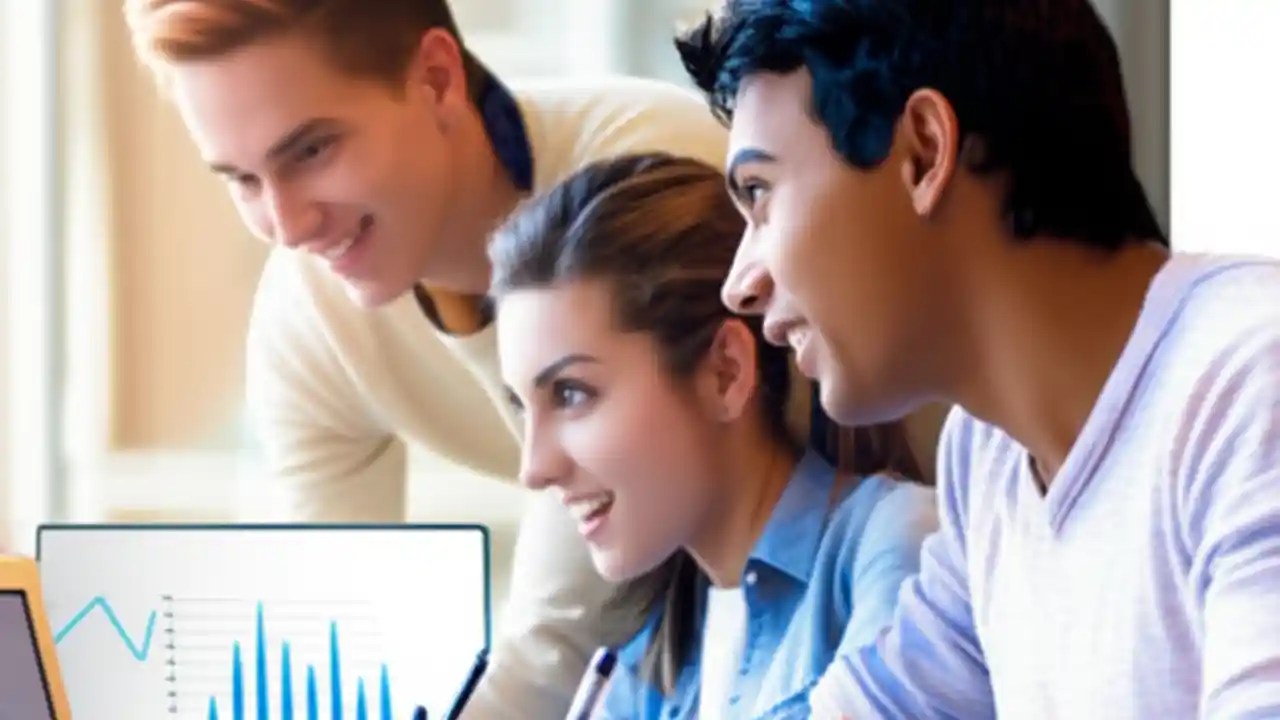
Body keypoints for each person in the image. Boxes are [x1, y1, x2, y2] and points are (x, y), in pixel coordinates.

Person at [120, 1, 765, 716]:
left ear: (434, 77)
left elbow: (557, 651)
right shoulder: (308, 315)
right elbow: (323, 648)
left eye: (311, 151)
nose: (289, 225)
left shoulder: (646, 186)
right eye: (241, 180)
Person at [677, 0, 1280, 718]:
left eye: (760, 193)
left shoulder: (1248, 385)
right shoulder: (987, 456)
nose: (739, 283)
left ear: (924, 153)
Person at [489, 152, 936, 720]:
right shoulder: (650, 669)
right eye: (522, 407)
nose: (534, 467)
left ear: (725, 372)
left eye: (572, 393)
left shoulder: (897, 548)